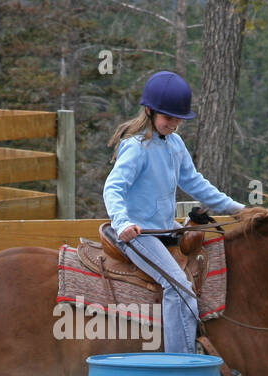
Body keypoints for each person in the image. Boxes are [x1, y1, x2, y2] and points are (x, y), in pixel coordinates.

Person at [102, 70, 245, 356]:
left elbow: (194, 182)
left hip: (166, 231)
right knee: (179, 287)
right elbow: (112, 188)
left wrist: (237, 209)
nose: (174, 124)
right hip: (138, 235)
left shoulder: (175, 144)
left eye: (179, 119)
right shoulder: (136, 147)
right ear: (150, 111)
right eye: (168, 118)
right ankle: (181, 361)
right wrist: (123, 223)